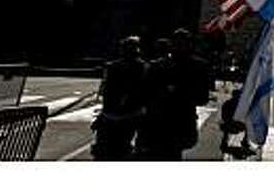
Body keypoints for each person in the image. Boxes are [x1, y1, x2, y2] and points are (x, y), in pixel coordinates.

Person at [137, 28, 212, 160]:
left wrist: (178, 93)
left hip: (179, 123)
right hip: (159, 123)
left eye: (183, 44)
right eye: (178, 44)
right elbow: (144, 95)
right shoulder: (157, 66)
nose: (180, 47)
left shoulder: (199, 66)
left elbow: (202, 97)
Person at [91, 36, 147, 160]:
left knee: (108, 149)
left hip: (123, 114)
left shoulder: (115, 67)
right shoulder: (141, 67)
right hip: (123, 114)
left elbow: (105, 92)